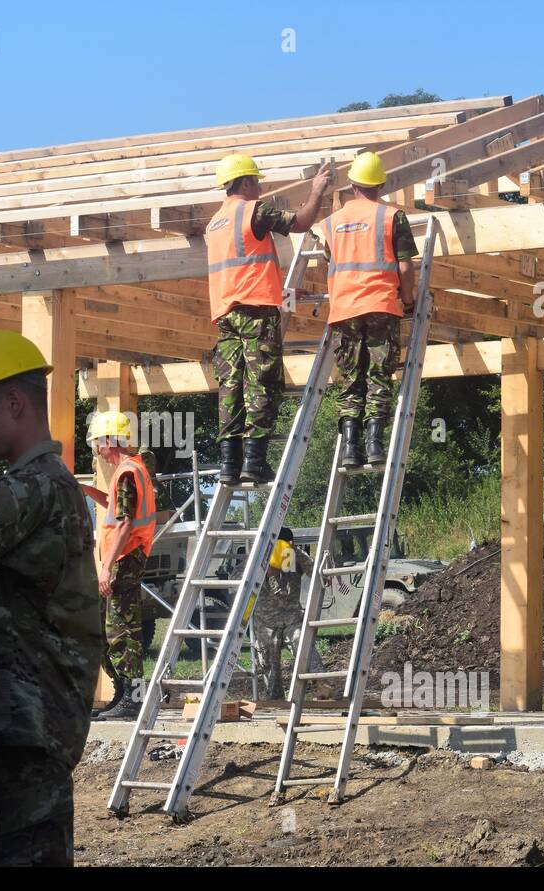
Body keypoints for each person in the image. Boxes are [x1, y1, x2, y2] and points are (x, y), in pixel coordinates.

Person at [0, 329, 104, 865]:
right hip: (28, 726)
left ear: (14, 403)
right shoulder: (50, 486)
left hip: (27, 726)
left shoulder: (33, 490)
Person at [206, 153, 332, 485]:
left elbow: (241, 271)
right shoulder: (254, 211)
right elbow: (301, 222)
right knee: (263, 383)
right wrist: (317, 189)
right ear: (245, 182)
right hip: (257, 313)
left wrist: (283, 291)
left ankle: (228, 465)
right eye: (257, 181)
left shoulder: (214, 224)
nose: (259, 187)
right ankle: (254, 461)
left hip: (226, 315)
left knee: (231, 387)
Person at [315, 152, 419, 468]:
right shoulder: (391, 217)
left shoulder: (331, 223)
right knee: (379, 375)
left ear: (352, 185)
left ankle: (350, 447)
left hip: (344, 309)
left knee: (350, 378)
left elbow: (327, 260)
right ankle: (374, 445)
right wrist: (410, 299)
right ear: (381, 184)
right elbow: (405, 266)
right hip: (380, 306)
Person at [79, 411, 157, 720]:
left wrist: (106, 567)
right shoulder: (130, 471)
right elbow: (117, 510)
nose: (97, 449)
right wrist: (87, 491)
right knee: (107, 630)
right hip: (126, 558)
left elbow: (125, 524)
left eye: (98, 442)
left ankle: (133, 698)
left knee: (122, 631)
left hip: (125, 558)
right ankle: (124, 694)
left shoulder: (127, 473)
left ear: (109, 440)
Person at [251, 527, 322, 700]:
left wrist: (294, 553)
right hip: (266, 622)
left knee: (305, 649)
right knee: (269, 665)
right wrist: (265, 569)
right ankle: (274, 700)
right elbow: (239, 579)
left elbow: (316, 570)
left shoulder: (294, 555)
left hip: (291, 617)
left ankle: (323, 686)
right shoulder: (257, 558)